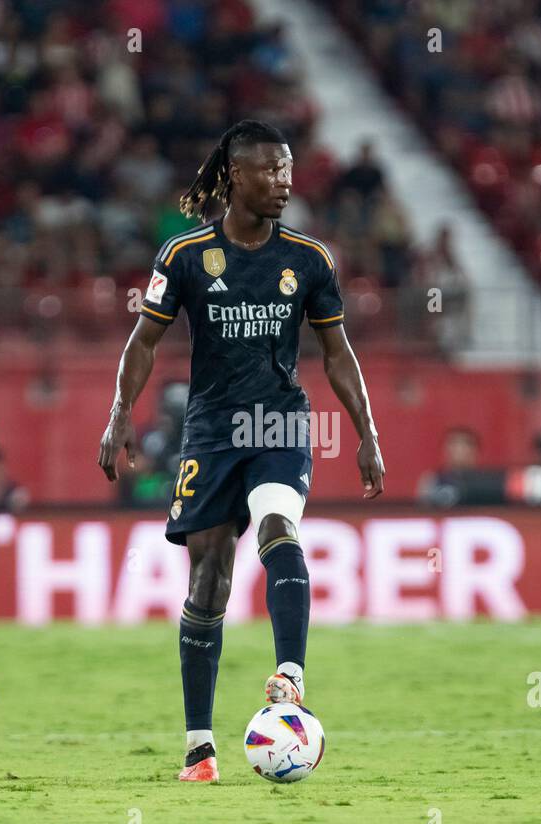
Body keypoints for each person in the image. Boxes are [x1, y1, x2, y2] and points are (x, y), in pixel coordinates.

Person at [98, 120, 385, 783]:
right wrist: (120, 413)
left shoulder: (310, 259)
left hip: (279, 421)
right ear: (234, 176)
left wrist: (366, 432)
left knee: (280, 525)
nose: (283, 182)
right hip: (212, 430)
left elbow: (337, 352)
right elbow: (144, 341)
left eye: (287, 169)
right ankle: (200, 746)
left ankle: (289, 674)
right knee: (209, 581)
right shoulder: (185, 255)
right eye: (268, 171)